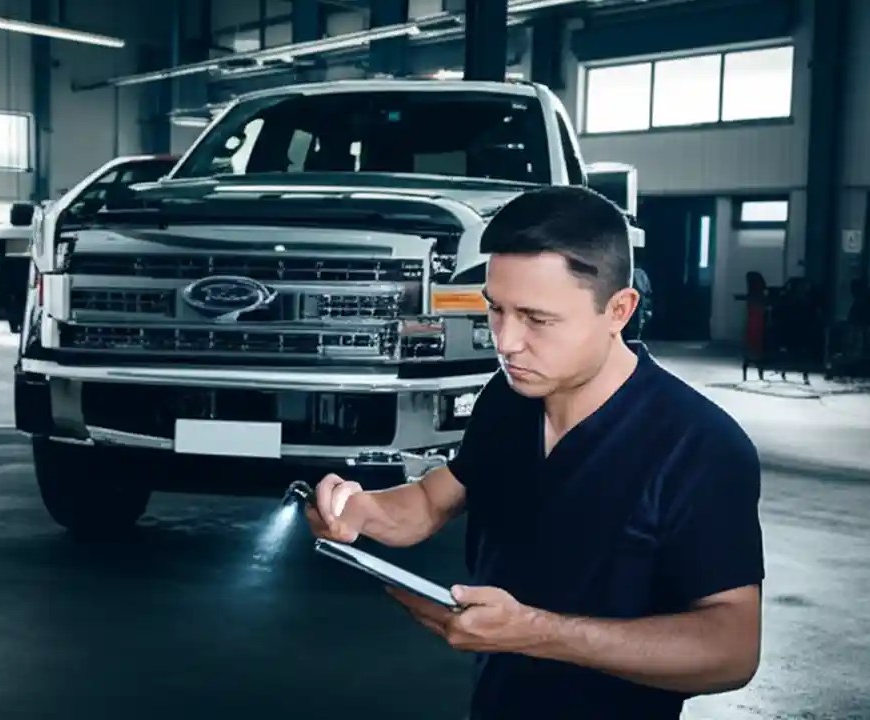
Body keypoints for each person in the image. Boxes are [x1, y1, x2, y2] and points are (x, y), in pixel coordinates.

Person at [305, 185, 764, 720]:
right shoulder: (510, 398)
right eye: (495, 310)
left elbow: (733, 650)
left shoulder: (700, 447)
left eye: (537, 319)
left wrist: (535, 633)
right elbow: (435, 501)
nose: (506, 342)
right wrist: (364, 510)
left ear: (619, 309)